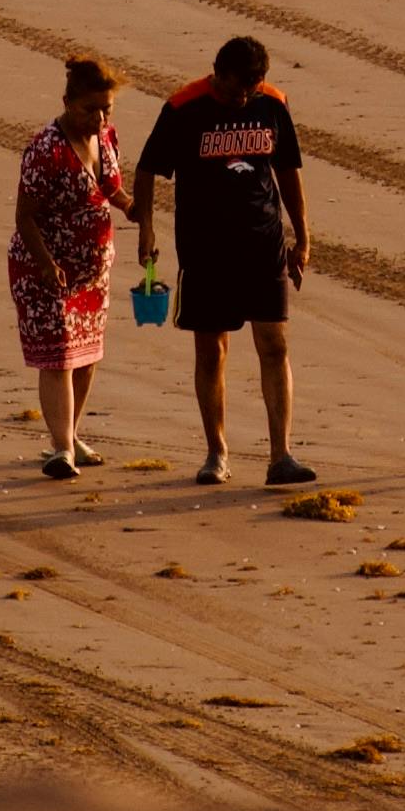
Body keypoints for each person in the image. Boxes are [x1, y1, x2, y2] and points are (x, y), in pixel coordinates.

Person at [133, 32, 317, 491]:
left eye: (252, 88)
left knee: (274, 346)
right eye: (238, 88)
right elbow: (148, 168)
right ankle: (216, 453)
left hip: (264, 242)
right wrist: (148, 229)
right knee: (211, 349)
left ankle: (281, 456)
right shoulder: (183, 106)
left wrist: (303, 237)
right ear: (218, 73)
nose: (243, 97)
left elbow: (288, 170)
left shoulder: (271, 102)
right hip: (205, 248)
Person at [8, 54, 129, 476]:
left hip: (92, 272)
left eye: (105, 109)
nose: (97, 118)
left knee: (86, 355)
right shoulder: (45, 149)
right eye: (88, 109)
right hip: (44, 268)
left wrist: (135, 209)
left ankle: (71, 433)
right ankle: (61, 448)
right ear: (66, 102)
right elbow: (24, 216)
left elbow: (113, 188)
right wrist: (45, 264)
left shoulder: (107, 137)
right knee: (57, 357)